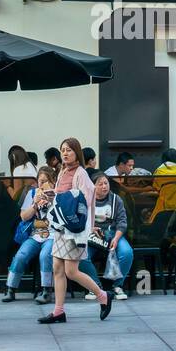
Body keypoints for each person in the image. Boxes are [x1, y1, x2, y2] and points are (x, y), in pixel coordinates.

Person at [38, 138, 112, 324]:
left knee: (71, 271)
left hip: (74, 229)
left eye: (69, 150)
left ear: (76, 152)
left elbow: (85, 202)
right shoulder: (62, 172)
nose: (65, 153)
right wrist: (49, 196)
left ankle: (103, 296)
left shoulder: (81, 174)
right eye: (63, 150)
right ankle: (58, 312)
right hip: (62, 228)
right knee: (57, 268)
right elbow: (63, 197)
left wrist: (88, 225)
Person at [3, 166, 56, 301]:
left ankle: (46, 291)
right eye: (39, 180)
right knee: (21, 255)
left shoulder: (58, 195)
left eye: (45, 181)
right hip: (34, 235)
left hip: (53, 236)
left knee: (45, 256)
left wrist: (51, 200)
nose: (41, 183)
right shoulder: (32, 194)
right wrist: (34, 204)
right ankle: (10, 289)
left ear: (52, 182)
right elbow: (24, 217)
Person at [90, 172, 132, 300]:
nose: (104, 186)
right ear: (93, 186)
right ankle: (95, 287)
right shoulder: (87, 199)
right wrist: (90, 229)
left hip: (113, 233)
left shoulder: (116, 199)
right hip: (93, 236)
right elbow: (82, 220)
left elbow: (122, 222)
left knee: (127, 252)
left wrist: (116, 238)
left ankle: (117, 286)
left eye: (106, 183)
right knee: (80, 255)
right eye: (100, 184)